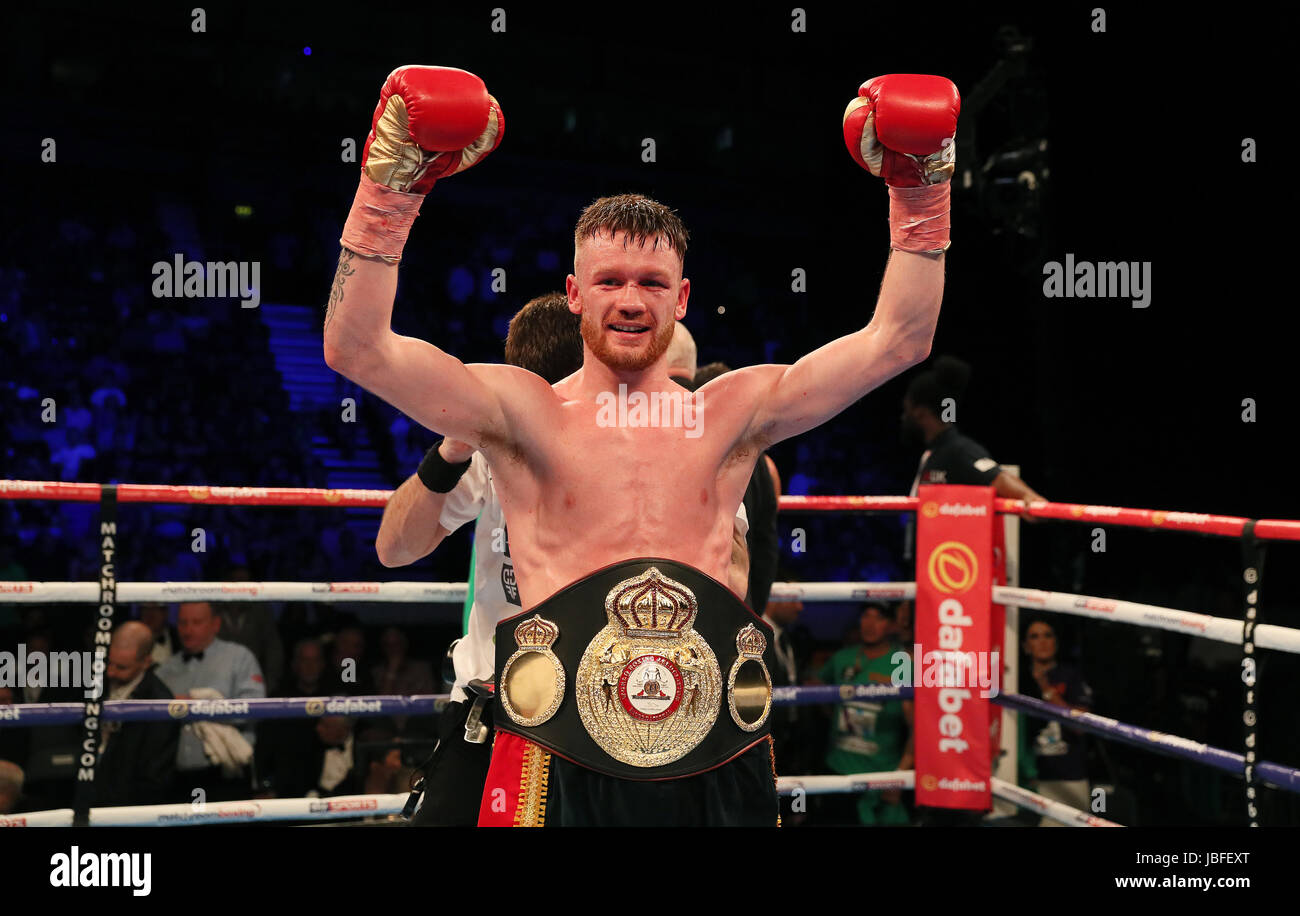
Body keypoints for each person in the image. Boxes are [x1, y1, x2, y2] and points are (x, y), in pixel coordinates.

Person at [325, 66, 954, 826]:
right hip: (556, 745)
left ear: (682, 297)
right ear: (575, 292)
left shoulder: (732, 414)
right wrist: (390, 190)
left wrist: (921, 193)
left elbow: (899, 340)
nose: (630, 299)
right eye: (611, 279)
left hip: (714, 744)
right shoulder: (521, 414)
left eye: (653, 282)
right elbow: (358, 348)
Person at [376, 295, 749, 825]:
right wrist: (451, 450)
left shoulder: (667, 454)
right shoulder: (492, 453)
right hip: (491, 714)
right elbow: (394, 548)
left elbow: (733, 582)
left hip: (612, 723)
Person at [900, 354, 1045, 558]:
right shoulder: (933, 453)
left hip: (949, 572)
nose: (903, 418)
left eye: (906, 411)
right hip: (929, 568)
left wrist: (1030, 499)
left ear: (921, 412)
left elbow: (999, 477)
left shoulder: (958, 450)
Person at [691, 360, 781, 614]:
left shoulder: (683, 449)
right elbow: (767, 546)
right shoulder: (763, 462)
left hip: (702, 596)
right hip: (734, 601)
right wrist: (755, 610)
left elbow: (765, 543)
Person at [155, 602, 266, 801]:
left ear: (215, 624)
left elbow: (255, 706)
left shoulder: (239, 658)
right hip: (175, 778)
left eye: (196, 622)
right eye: (183, 623)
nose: (188, 630)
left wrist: (196, 704)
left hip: (225, 774)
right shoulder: (165, 671)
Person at [818, 603, 913, 825]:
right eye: (865, 616)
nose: (869, 624)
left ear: (890, 625)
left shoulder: (902, 664)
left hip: (881, 772)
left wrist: (900, 774)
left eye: (878, 618)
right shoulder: (842, 658)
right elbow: (818, 693)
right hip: (837, 767)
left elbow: (918, 728)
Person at [95, 621, 179, 807]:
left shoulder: (160, 704)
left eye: (122, 667)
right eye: (109, 662)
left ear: (146, 662)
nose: (111, 672)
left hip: (128, 809)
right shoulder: (95, 682)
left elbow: (154, 779)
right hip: (86, 800)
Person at [1021, 618, 1093, 825]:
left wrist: (1049, 693)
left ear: (1056, 642)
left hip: (1069, 777)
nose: (1042, 641)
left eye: (1047, 635)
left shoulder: (1071, 676)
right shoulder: (1016, 678)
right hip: (1028, 777)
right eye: (1035, 636)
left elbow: (1081, 726)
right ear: (1026, 646)